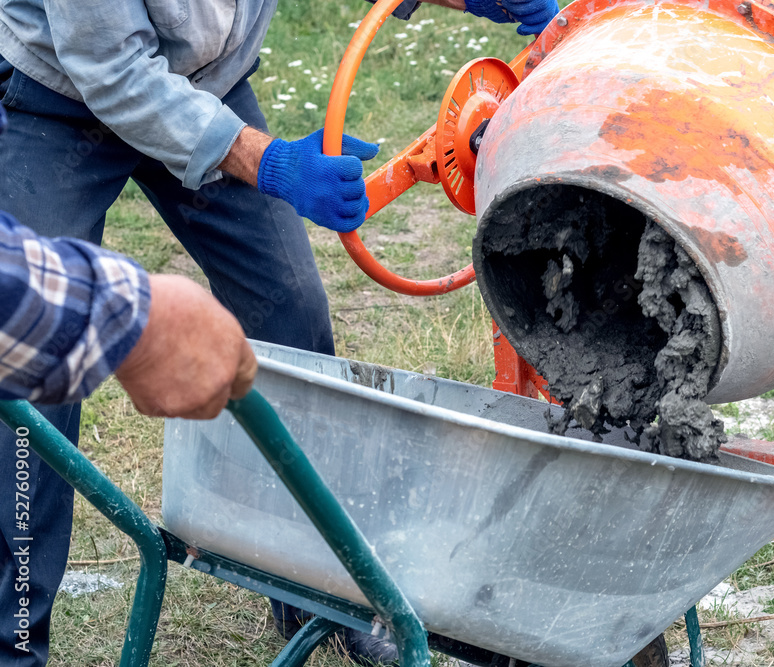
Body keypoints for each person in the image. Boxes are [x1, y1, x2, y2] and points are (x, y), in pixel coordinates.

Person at [0, 0, 558, 663]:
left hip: (204, 88)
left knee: (291, 313)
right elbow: (114, 72)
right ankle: (17, 637)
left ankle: (310, 596)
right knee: (34, 368)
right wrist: (273, 165)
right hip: (58, 103)